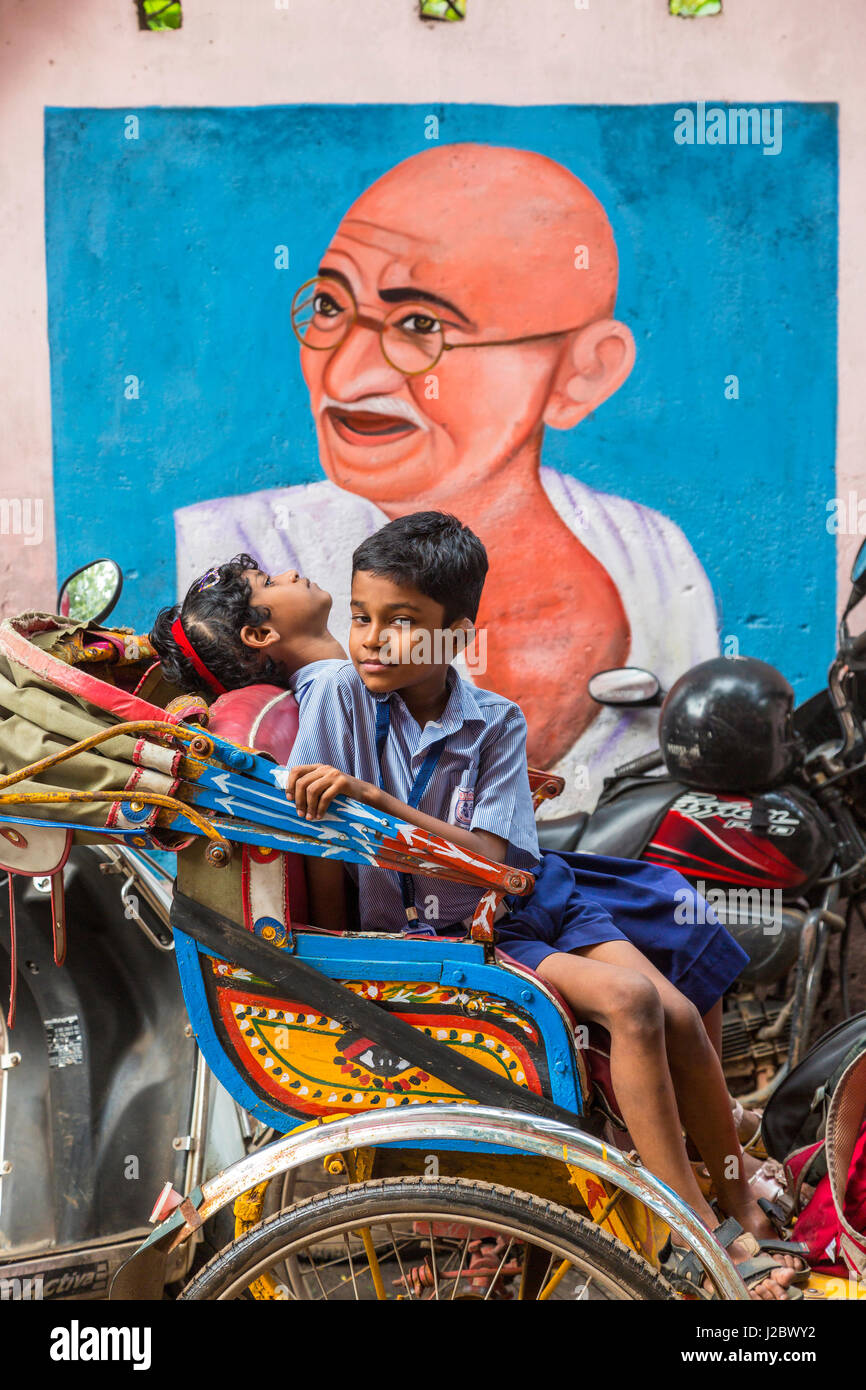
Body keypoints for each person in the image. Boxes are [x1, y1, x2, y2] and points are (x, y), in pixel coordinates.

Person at [282, 511, 804, 1299]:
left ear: (456, 635)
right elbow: (321, 831)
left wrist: (373, 797)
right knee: (630, 1003)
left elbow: (491, 858)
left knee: (675, 1011)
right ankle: (692, 1226)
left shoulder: (495, 721)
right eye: (360, 617)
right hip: (465, 927)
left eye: (402, 623)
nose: (371, 640)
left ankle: (742, 1208)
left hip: (527, 895)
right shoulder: (335, 698)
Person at [175, 143, 719, 818]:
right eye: (329, 306)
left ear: (584, 372)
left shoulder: (655, 562)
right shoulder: (230, 544)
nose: (343, 377)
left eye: (422, 324)